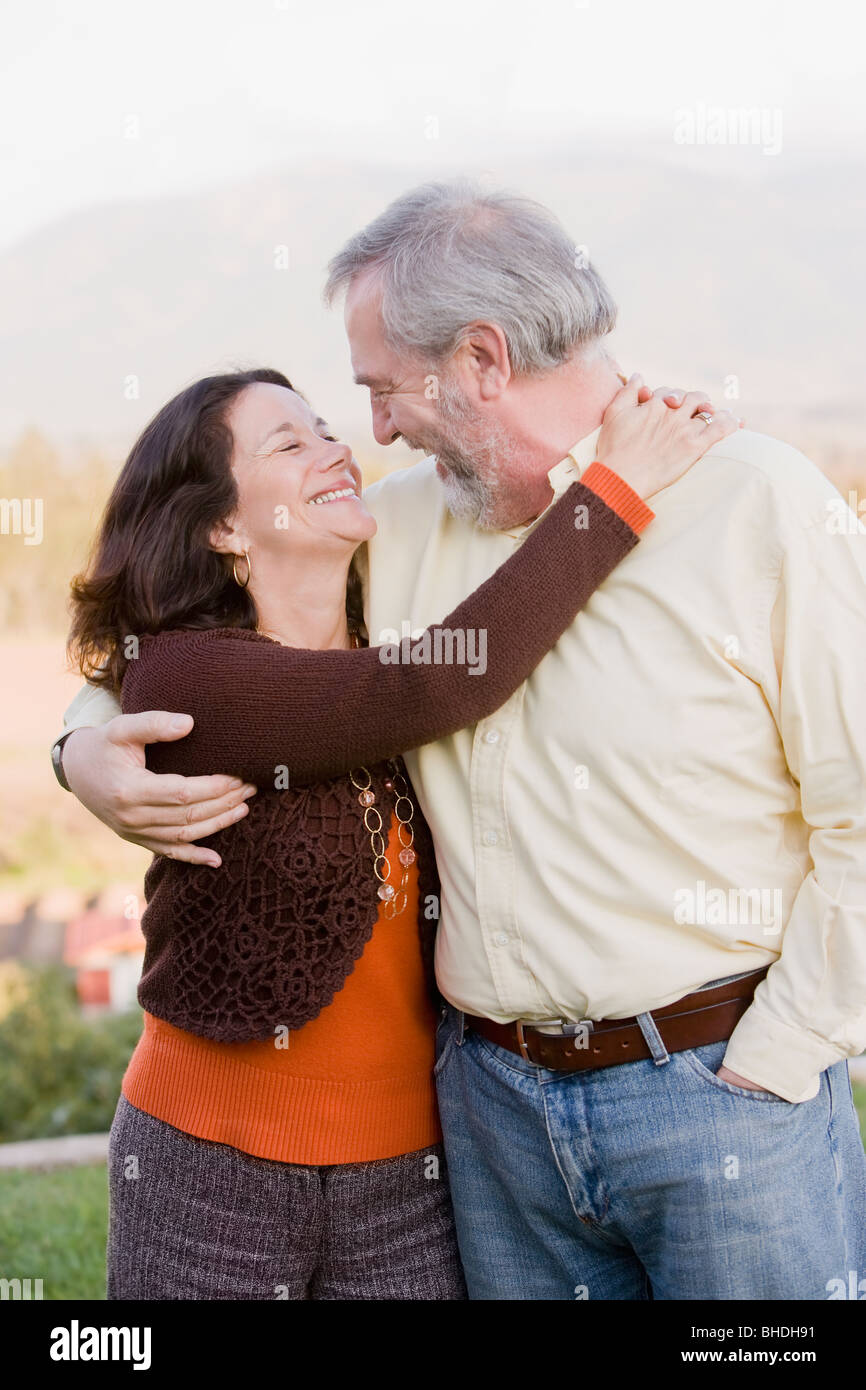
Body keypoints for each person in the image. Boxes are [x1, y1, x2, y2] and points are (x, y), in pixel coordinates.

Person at [59, 179, 866, 1301]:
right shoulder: (392, 525)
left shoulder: (756, 504)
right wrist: (85, 746)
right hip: (494, 1129)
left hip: (713, 1095)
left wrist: (777, 1059)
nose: (373, 430)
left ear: (481, 359)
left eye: (381, 392)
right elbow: (210, 650)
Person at [61, 361, 728, 1300]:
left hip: (409, 1170)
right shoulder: (192, 680)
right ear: (221, 525)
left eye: (325, 426)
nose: (335, 447)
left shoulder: (392, 617)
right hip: (212, 1159)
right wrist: (614, 489)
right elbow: (436, 686)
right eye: (288, 443)